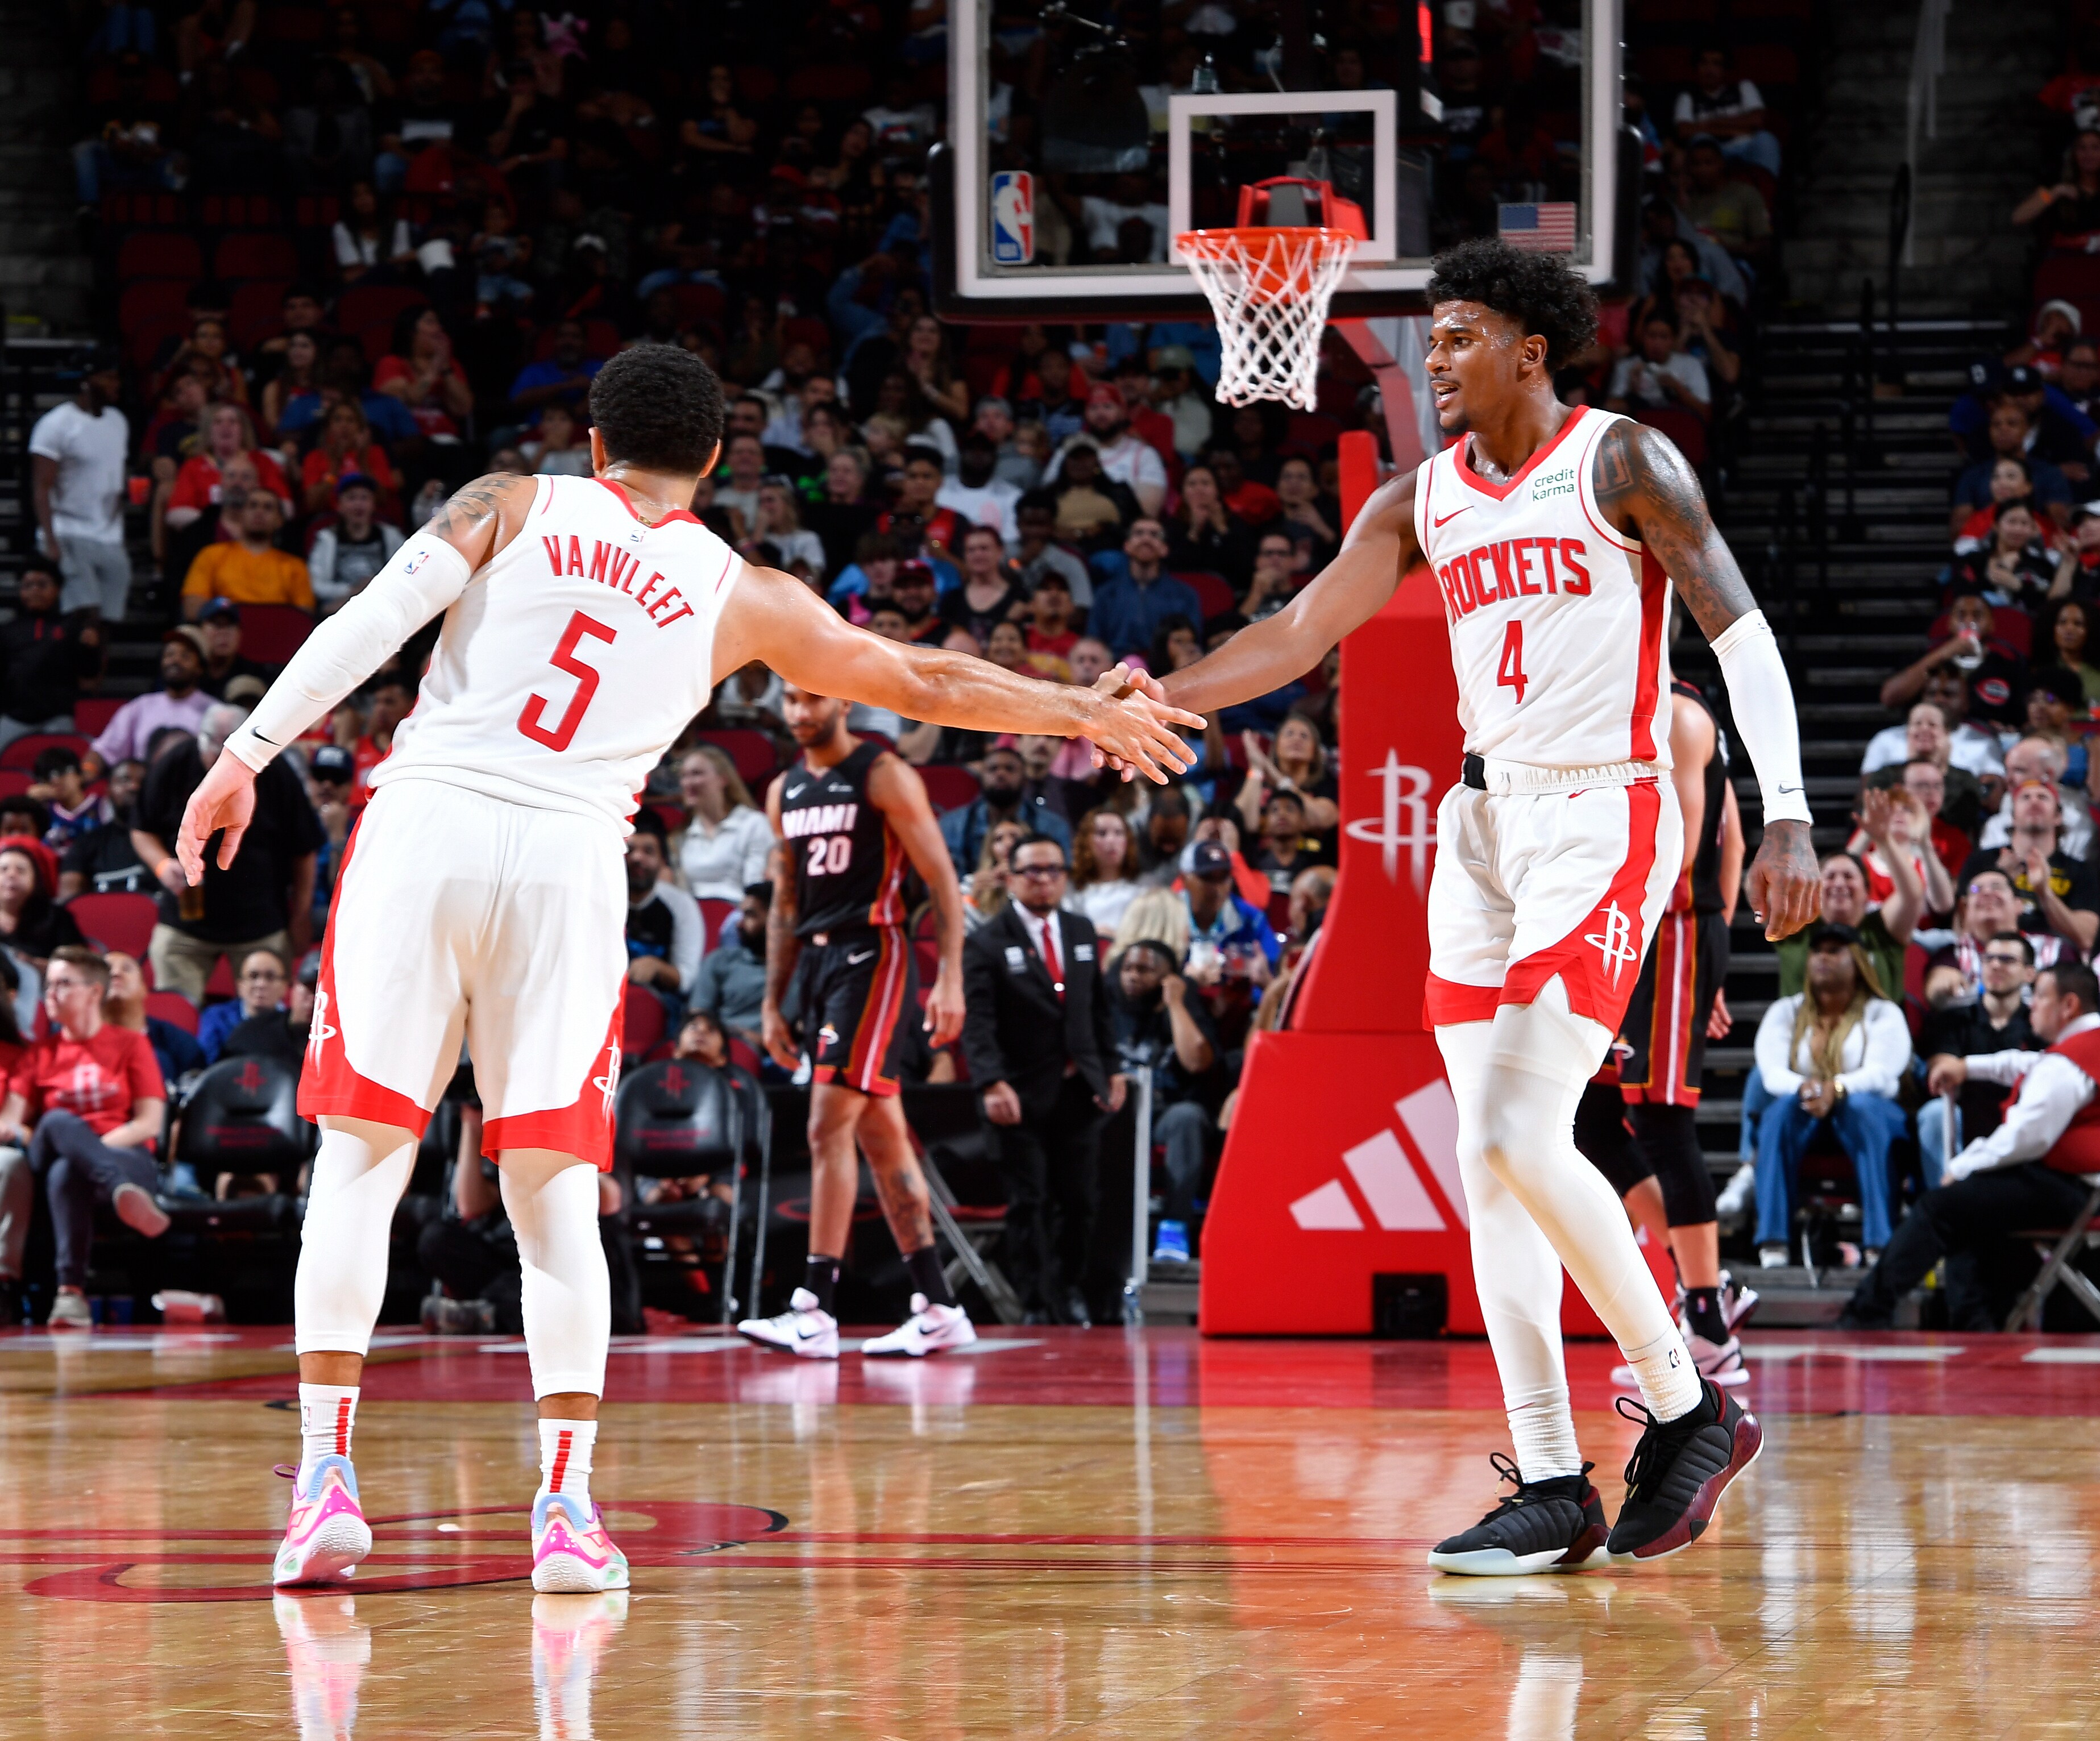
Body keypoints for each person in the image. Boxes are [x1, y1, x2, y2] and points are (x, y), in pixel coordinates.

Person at [172, 344, 1196, 1593]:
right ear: (713, 461)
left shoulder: (508, 500)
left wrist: (248, 751)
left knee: (362, 1158)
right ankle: (563, 1509)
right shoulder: (740, 589)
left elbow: (366, 624)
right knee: (552, 1192)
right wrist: (1080, 709)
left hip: (424, 830)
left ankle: (326, 1479)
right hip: (569, 862)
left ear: (593, 445)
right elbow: (920, 676)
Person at [1144, 238, 1816, 1572]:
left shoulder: (1621, 463)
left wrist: (1785, 806)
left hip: (1602, 816)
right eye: (1429, 338)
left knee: (1521, 1125)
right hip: (1479, 828)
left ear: (1528, 346)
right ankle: (1553, 1478)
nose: (1432, 361)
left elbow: (1737, 632)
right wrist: (1160, 697)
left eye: (1455, 336)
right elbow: (1291, 635)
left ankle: (1689, 1404)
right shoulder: (1417, 501)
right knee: (1488, 1163)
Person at [746, 687, 989, 1361]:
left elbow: (942, 878)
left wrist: (949, 977)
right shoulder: (782, 791)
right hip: (821, 967)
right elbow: (785, 902)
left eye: (810, 699)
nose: (798, 712)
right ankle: (939, 1306)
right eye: (789, 700)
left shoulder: (883, 774)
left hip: (874, 954)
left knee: (826, 1124)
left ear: (844, 702)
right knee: (883, 1140)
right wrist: (774, 1000)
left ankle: (813, 1308)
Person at [1587, 679, 1747, 1386]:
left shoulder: (1678, 715)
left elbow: (1683, 853)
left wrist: (1706, 959)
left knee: (1661, 1121)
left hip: (1670, 927)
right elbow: (1736, 838)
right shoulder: (1619, 703)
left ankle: (1709, 1324)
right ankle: (1704, 1281)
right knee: (1588, 1117)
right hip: (1639, 933)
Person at [1842, 958, 2100, 1329]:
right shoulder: (2081, 1050)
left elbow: (2025, 1137)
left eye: (2041, 995)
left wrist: (1961, 1167)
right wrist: (1967, 1066)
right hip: (2080, 1189)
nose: (2032, 1005)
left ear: (2069, 1005)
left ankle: (1864, 1314)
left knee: (1940, 1205)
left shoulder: (2068, 1063)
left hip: (2071, 1192)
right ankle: (1976, 1320)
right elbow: (2027, 1064)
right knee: (1971, 1208)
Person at [961, 832, 1123, 1326]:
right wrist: (990, 1081)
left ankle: (1072, 1292)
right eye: (1034, 870)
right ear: (1009, 877)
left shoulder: (1079, 931)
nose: (1045, 880)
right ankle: (1035, 1302)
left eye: (1055, 870)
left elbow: (1097, 1008)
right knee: (1028, 1203)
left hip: (1078, 1088)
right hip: (1020, 1089)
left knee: (1080, 1202)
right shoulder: (986, 941)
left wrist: (1111, 1067)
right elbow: (979, 1022)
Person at [0, 946, 168, 1329]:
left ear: (95, 991)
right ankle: (118, 1190)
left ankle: (70, 1295)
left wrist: (87, 1152)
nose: (51, 994)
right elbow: (11, 1120)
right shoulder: (40, 1052)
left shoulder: (130, 1043)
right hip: (56, 1149)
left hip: (120, 1152)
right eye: (48, 985)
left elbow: (149, 1123)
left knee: (67, 1173)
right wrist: (75, 1140)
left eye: (63, 984)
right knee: (59, 1121)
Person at [1751, 923, 1912, 1268]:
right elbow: (1771, 1071)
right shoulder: (1787, 1011)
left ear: (1858, 961)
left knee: (1862, 1107)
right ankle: (1774, 1242)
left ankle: (1879, 1243)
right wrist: (1804, 1088)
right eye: (1817, 951)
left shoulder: (1883, 1012)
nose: (1823, 958)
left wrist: (1836, 1089)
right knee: (1779, 1112)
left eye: (1835, 951)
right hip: (1807, 1109)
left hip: (1868, 1115)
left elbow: (1884, 1073)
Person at [136, 702, 319, 1004]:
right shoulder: (175, 763)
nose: (219, 756)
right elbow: (141, 828)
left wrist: (300, 916)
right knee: (174, 1008)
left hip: (259, 921)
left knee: (266, 1018)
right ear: (200, 738)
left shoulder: (276, 771)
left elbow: (304, 851)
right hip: (186, 920)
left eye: (229, 747)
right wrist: (161, 865)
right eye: (212, 746)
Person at [1109, 937, 1222, 1267]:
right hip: (1119, 1111)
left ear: (1168, 978)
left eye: (1145, 970)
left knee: (1188, 1118)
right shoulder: (1108, 1006)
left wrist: (1175, 1004)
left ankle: (1174, 1228)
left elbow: (1197, 1062)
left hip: (1166, 1114)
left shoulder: (1186, 1008)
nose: (1132, 976)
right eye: (1128, 968)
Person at [1915, 931, 2038, 1176]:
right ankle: (1942, 1199)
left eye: (2007, 960)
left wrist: (1966, 1067)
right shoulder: (1952, 1019)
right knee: (1934, 1114)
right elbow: (1943, 1072)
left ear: (2029, 974)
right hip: (1965, 1113)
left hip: (2018, 1117)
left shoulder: (2038, 1025)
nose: (1995, 965)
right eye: (1989, 958)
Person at [29, 347, 131, 622]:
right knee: (83, 614)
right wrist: (50, 540)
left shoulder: (119, 422)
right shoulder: (56, 424)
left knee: (110, 619)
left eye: (116, 379)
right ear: (87, 382)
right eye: (108, 379)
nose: (115, 385)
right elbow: (42, 487)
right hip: (69, 531)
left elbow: (113, 473)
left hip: (110, 535)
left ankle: (100, 667)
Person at [0, 559, 99, 750]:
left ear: (58, 589)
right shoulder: (7, 631)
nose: (35, 591)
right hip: (16, 717)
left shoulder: (72, 627)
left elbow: (89, 674)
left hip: (58, 717)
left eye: (42, 585)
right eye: (28, 585)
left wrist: (91, 649)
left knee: (66, 763)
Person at [939, 741, 1073, 871]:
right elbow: (939, 882)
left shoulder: (1053, 827)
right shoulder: (951, 825)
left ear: (1025, 779)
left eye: (1010, 769)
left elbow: (1062, 877)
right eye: (993, 769)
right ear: (981, 777)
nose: (1000, 774)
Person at [182, 492, 316, 618]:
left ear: (280, 521)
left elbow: (303, 618)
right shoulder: (210, 555)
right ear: (240, 516)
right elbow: (193, 609)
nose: (259, 512)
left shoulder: (295, 566)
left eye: (268, 508)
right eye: (253, 506)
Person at [1088, 519, 1203, 660]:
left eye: (1154, 535)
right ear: (1127, 546)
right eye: (1139, 533)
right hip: (1115, 670)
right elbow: (1093, 642)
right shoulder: (1105, 594)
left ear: (1164, 549)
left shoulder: (1185, 595)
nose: (1146, 539)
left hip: (1167, 670)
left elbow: (1191, 643)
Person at [624, 813, 703, 1016]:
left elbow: (686, 979)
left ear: (662, 862)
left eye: (648, 851)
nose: (637, 858)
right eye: (630, 850)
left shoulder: (681, 905)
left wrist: (657, 968)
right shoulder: (605, 899)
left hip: (663, 1008)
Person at [670, 745, 771, 902]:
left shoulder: (754, 824)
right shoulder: (682, 837)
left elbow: (756, 888)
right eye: (684, 776)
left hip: (738, 918)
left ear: (723, 779)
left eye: (697, 774)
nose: (688, 783)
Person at [690, 883, 769, 1060]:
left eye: (751, 915)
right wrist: (735, 1037)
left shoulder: (803, 969)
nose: (739, 924)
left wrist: (763, 1042)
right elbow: (698, 1017)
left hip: (780, 1063)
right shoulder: (719, 961)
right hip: (722, 1052)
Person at [308, 476, 405, 614]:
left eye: (364, 498)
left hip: (383, 603)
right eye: (351, 498)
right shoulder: (327, 538)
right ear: (339, 506)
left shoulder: (390, 535)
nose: (359, 505)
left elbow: (407, 574)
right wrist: (352, 591)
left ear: (373, 504)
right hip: (340, 608)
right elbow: (316, 585)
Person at [60, 759, 151, 899]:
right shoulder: (86, 843)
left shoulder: (172, 839)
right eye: (124, 780)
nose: (134, 787)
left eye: (143, 782)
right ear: (108, 791)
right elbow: (68, 901)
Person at [198, 946, 290, 1062]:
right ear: (240, 985)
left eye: (270, 977)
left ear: (284, 987)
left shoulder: (293, 1023)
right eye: (253, 976)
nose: (261, 984)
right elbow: (206, 1064)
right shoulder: (216, 1017)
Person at [1066, 806, 1142, 934]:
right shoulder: (1070, 894)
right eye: (1102, 833)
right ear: (1086, 842)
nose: (1111, 841)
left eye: (1119, 833)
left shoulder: (1141, 892)